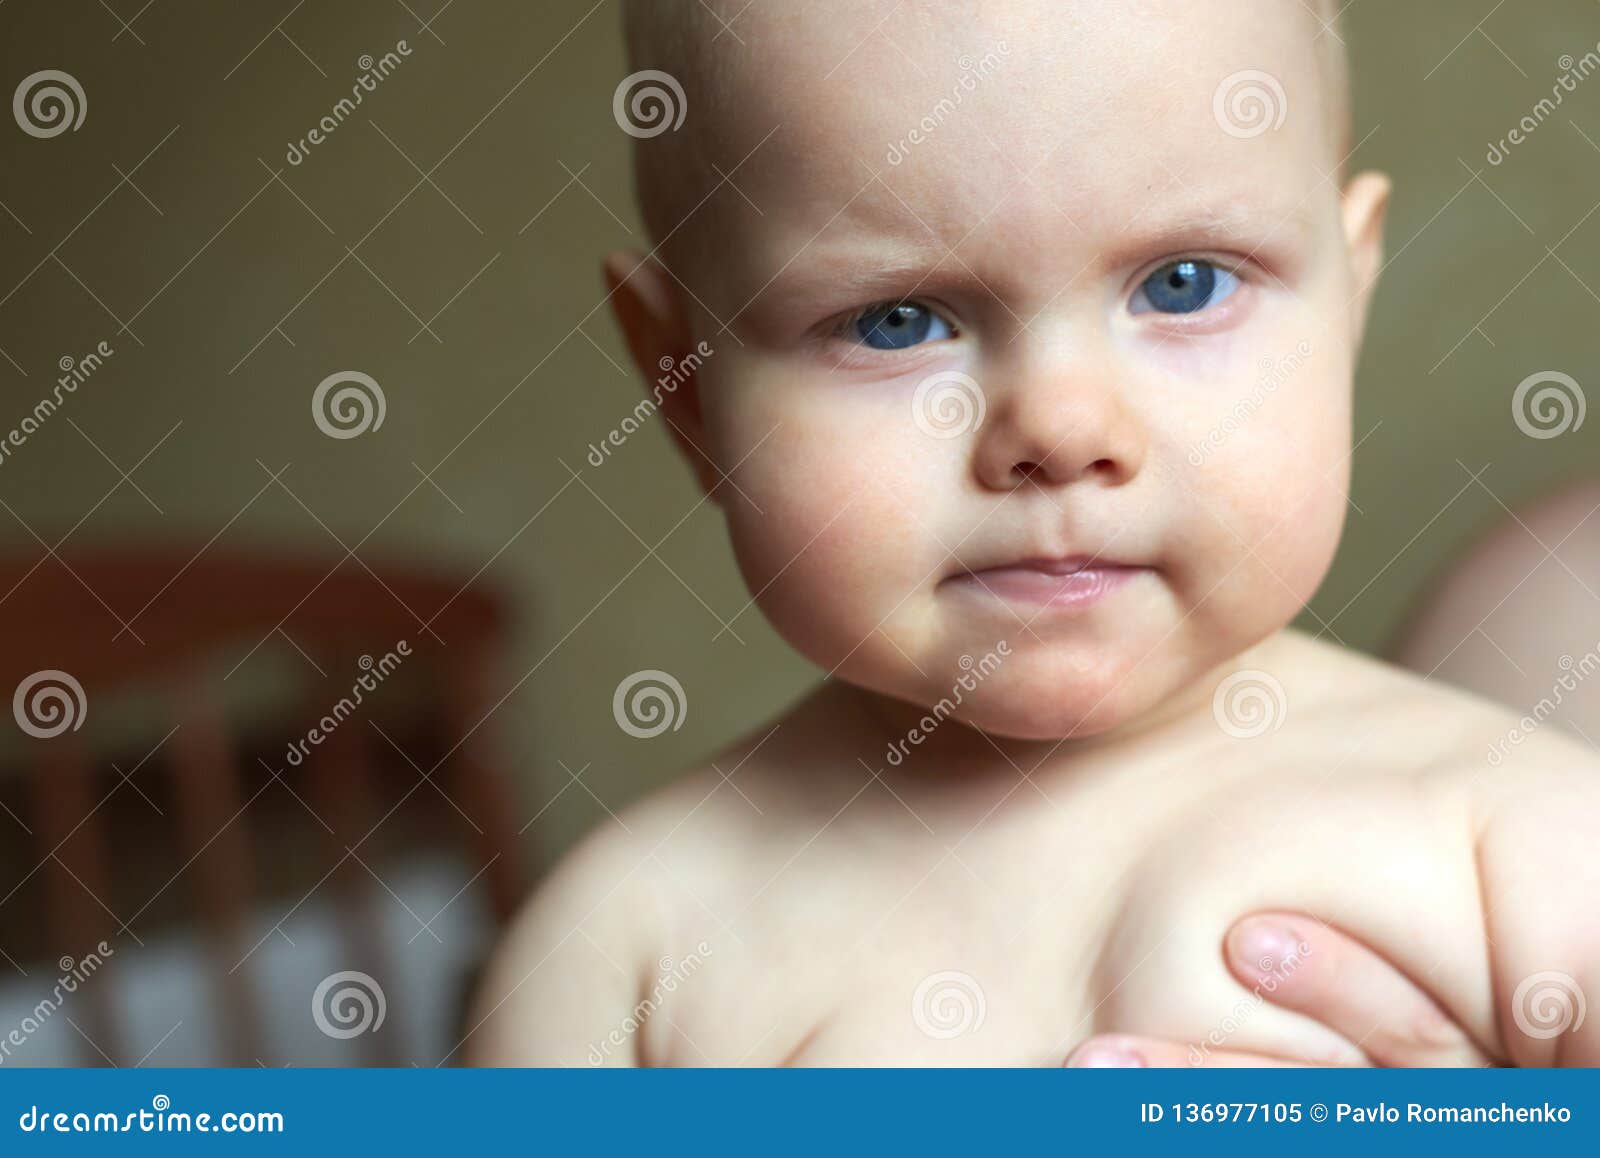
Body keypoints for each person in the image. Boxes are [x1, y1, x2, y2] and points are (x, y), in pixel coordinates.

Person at [466, 0, 1600, 1065]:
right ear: (685, 387)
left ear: (1347, 300)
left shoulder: (1517, 837)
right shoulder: (627, 951)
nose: (1060, 427)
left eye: (1183, 283)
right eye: (895, 319)